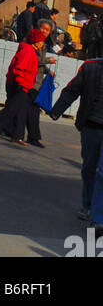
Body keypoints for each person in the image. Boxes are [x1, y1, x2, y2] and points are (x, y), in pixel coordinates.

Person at [48, 55, 103, 228]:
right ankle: (87, 204)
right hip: (91, 127)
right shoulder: (90, 67)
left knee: (102, 173)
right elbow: (72, 90)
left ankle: (98, 217)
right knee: (89, 168)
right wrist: (57, 110)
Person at [0, 29, 49, 145]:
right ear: (36, 41)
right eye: (41, 41)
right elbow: (19, 68)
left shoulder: (31, 51)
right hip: (20, 84)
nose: (42, 43)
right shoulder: (28, 51)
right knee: (12, 108)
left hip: (24, 85)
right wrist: (21, 84)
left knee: (21, 110)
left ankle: (17, 136)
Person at [24, 20, 57, 147]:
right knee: (32, 109)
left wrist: (48, 71)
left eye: (47, 30)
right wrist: (49, 61)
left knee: (26, 107)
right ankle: (33, 137)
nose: (44, 31)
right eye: (43, 28)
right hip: (30, 81)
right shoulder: (32, 40)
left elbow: (39, 63)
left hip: (36, 81)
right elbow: (33, 60)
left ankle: (26, 134)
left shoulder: (42, 44)